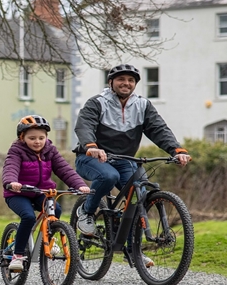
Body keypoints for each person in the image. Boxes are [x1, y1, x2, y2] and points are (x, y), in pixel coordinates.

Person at [73, 64, 191, 267]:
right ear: (111, 82)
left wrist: (176, 150)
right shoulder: (97, 103)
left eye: (130, 80)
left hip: (125, 160)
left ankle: (132, 251)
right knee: (109, 177)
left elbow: (158, 129)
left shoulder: (142, 105)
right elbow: (84, 125)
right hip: (91, 158)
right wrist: (91, 146)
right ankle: (86, 211)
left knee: (140, 195)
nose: (126, 83)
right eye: (121, 79)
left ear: (135, 84)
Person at [2, 115, 90, 272]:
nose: (37, 141)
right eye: (32, 138)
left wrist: (80, 185)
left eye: (41, 137)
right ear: (22, 138)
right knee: (28, 217)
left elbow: (65, 170)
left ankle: (49, 237)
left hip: (40, 192)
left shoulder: (50, 151)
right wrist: (11, 183)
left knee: (55, 210)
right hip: (18, 193)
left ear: (46, 137)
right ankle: (18, 255)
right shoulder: (17, 151)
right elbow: (11, 167)